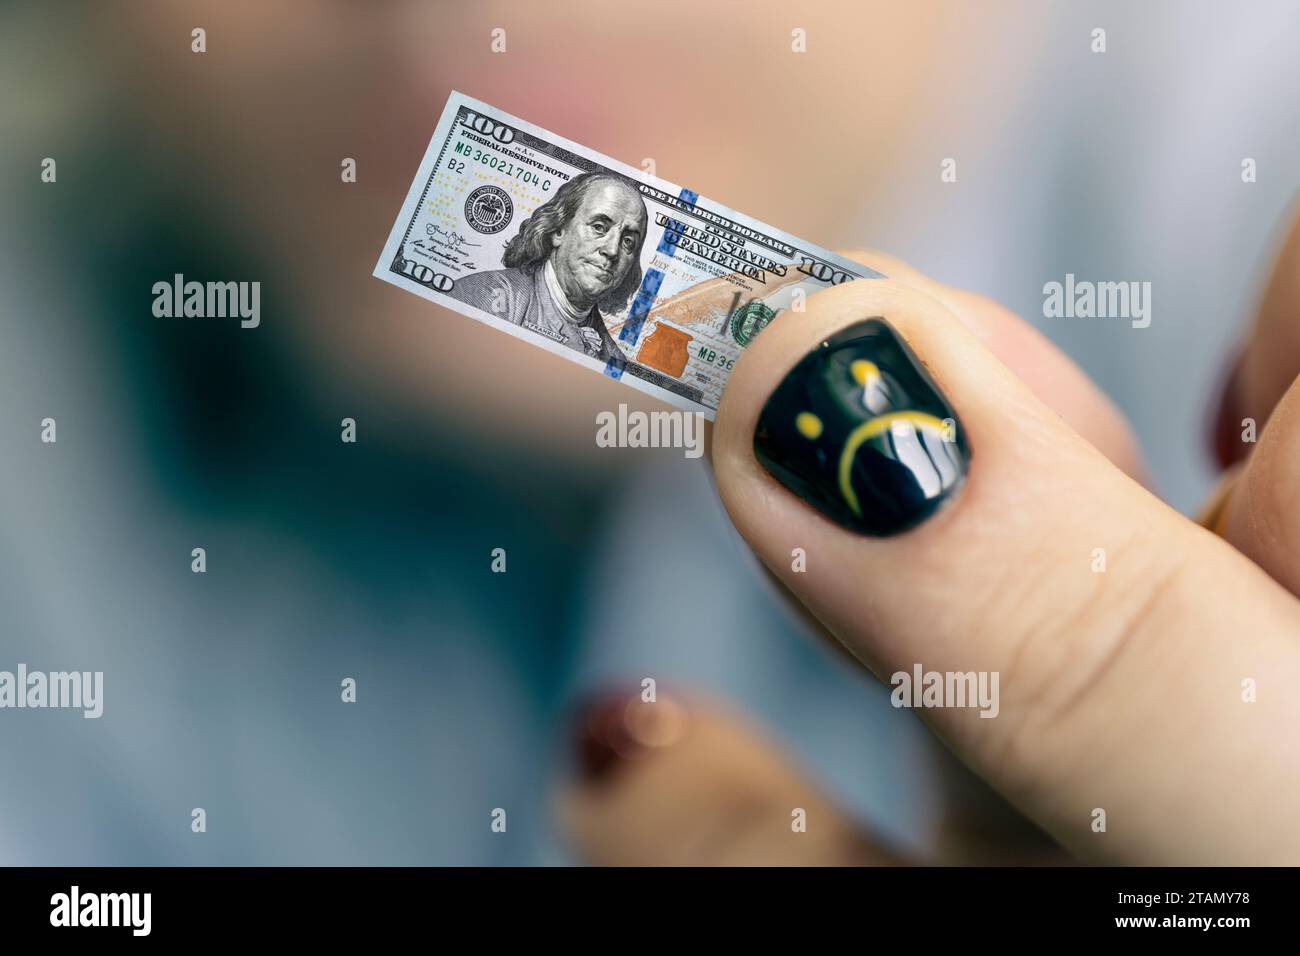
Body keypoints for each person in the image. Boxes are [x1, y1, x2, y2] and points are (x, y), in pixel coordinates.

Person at [446, 171, 648, 364]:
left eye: (628, 241)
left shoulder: (613, 360)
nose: (612, 250)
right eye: (599, 227)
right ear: (559, 230)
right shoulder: (484, 295)